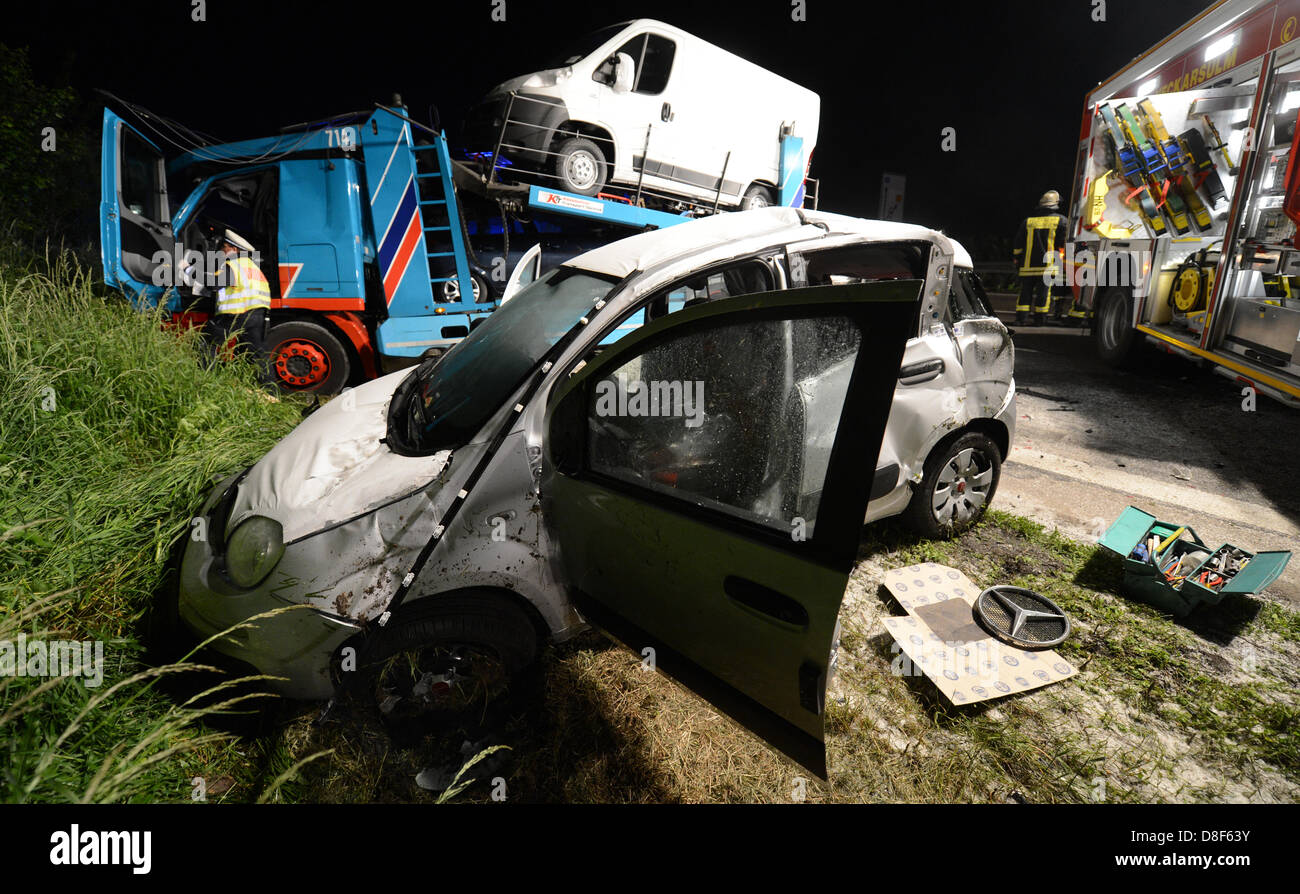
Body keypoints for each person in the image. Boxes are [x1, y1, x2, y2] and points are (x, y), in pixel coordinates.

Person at [206, 229, 272, 382]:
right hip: (259, 316)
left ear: (233, 249)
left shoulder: (233, 265)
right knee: (260, 356)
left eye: (224, 247)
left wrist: (188, 270)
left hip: (236, 314)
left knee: (206, 343)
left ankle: (206, 381)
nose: (222, 250)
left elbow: (214, 284)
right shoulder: (253, 267)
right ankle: (270, 392)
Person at [1012, 190, 1068, 326]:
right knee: (1044, 294)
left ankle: (1021, 319)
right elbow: (1063, 244)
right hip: (1048, 266)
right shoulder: (1061, 221)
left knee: (1025, 293)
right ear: (1055, 204)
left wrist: (1017, 258)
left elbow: (1018, 243)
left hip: (1027, 265)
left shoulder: (1028, 222)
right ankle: (1039, 320)